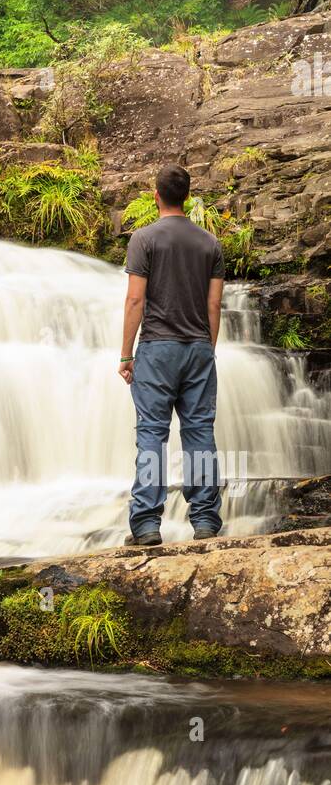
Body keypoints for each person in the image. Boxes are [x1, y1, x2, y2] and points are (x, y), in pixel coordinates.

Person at [118, 163, 225, 546]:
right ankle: (206, 521)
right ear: (188, 197)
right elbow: (215, 305)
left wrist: (125, 355)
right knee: (199, 433)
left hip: (157, 349)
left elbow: (135, 299)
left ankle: (147, 524)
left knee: (152, 434)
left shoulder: (144, 239)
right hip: (198, 347)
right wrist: (206, 350)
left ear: (155, 195)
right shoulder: (210, 243)